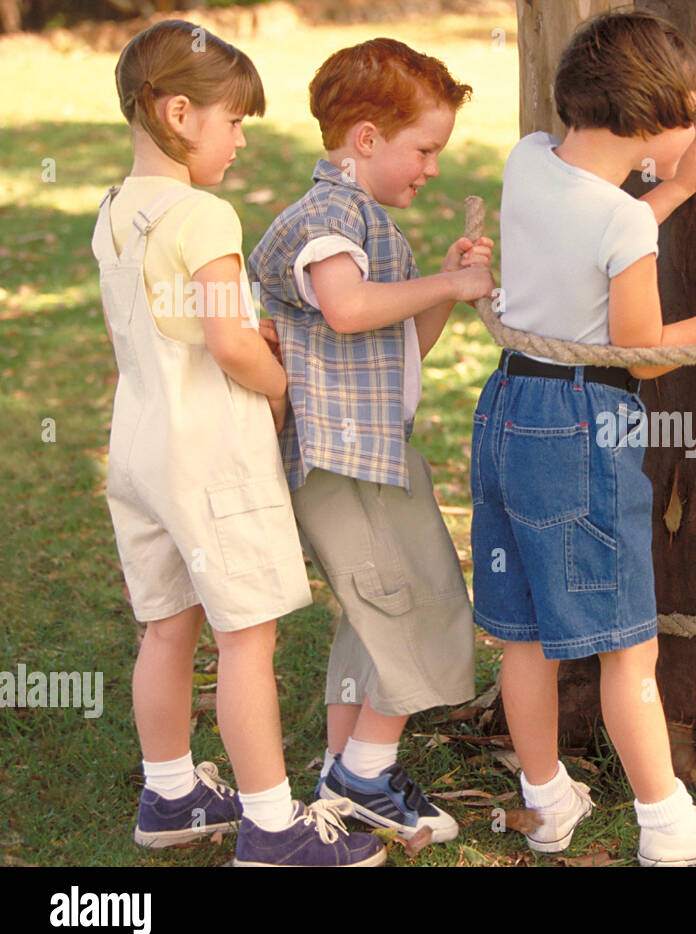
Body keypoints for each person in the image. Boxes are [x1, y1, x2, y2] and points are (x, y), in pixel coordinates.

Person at [471, 10, 696, 865]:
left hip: (509, 408)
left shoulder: (529, 160)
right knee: (630, 645)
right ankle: (666, 823)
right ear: (654, 117)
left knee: (526, 634)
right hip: (582, 427)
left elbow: (588, 226)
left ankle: (546, 802)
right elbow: (644, 354)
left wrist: (675, 186)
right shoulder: (622, 226)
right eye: (690, 110)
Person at [94, 19, 384, 866]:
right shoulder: (203, 212)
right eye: (232, 122)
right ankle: (270, 827)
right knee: (247, 638)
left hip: (142, 451)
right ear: (179, 113)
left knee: (166, 627)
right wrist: (283, 380)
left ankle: (172, 792)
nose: (241, 139)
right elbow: (228, 346)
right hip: (211, 458)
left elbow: (176, 322)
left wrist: (233, 331)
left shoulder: (116, 210)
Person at [248, 38, 493, 847]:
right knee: (416, 603)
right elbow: (350, 310)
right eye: (423, 149)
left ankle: (345, 768)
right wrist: (454, 282)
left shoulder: (362, 221)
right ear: (364, 138)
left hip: (370, 449)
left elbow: (394, 345)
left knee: (372, 614)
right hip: (342, 457)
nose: (430, 168)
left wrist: (443, 289)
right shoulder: (326, 219)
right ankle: (363, 776)